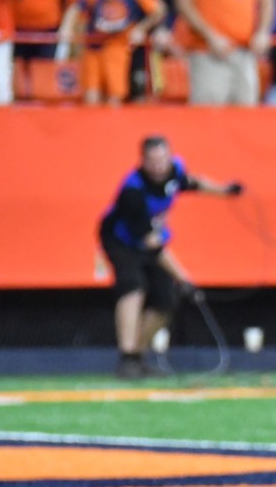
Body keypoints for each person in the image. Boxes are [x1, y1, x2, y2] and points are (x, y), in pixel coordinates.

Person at [99, 136, 243, 380]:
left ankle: (138, 356)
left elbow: (191, 183)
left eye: (162, 160)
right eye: (152, 161)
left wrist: (224, 191)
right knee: (133, 288)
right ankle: (126, 358)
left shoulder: (175, 171)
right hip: (121, 241)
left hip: (151, 239)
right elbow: (153, 246)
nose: (158, 166)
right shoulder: (132, 192)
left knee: (165, 301)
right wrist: (185, 279)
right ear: (142, 161)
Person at [58, 0, 166, 105]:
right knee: (91, 94)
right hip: (92, 47)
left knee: (115, 93)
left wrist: (141, 28)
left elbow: (159, 9)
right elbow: (76, 8)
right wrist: (67, 27)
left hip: (117, 46)